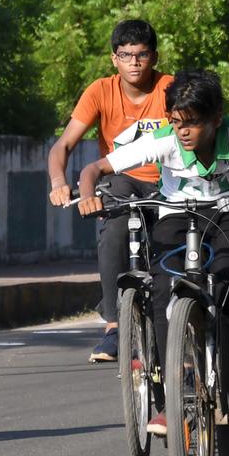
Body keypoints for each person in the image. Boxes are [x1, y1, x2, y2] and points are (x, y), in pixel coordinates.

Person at [76, 69, 229, 435]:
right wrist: (89, 192)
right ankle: (176, 390)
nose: (183, 132)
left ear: (216, 118)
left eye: (192, 123)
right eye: (176, 123)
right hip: (179, 215)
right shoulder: (164, 140)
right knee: (162, 288)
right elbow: (95, 168)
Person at [47, 19, 173, 363]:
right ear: (113, 59)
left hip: (168, 180)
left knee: (176, 239)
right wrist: (59, 183)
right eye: (126, 55)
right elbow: (64, 145)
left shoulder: (170, 89)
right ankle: (114, 326)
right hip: (119, 177)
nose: (134, 62)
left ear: (154, 57)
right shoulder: (100, 91)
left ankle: (178, 317)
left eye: (142, 55)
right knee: (113, 228)